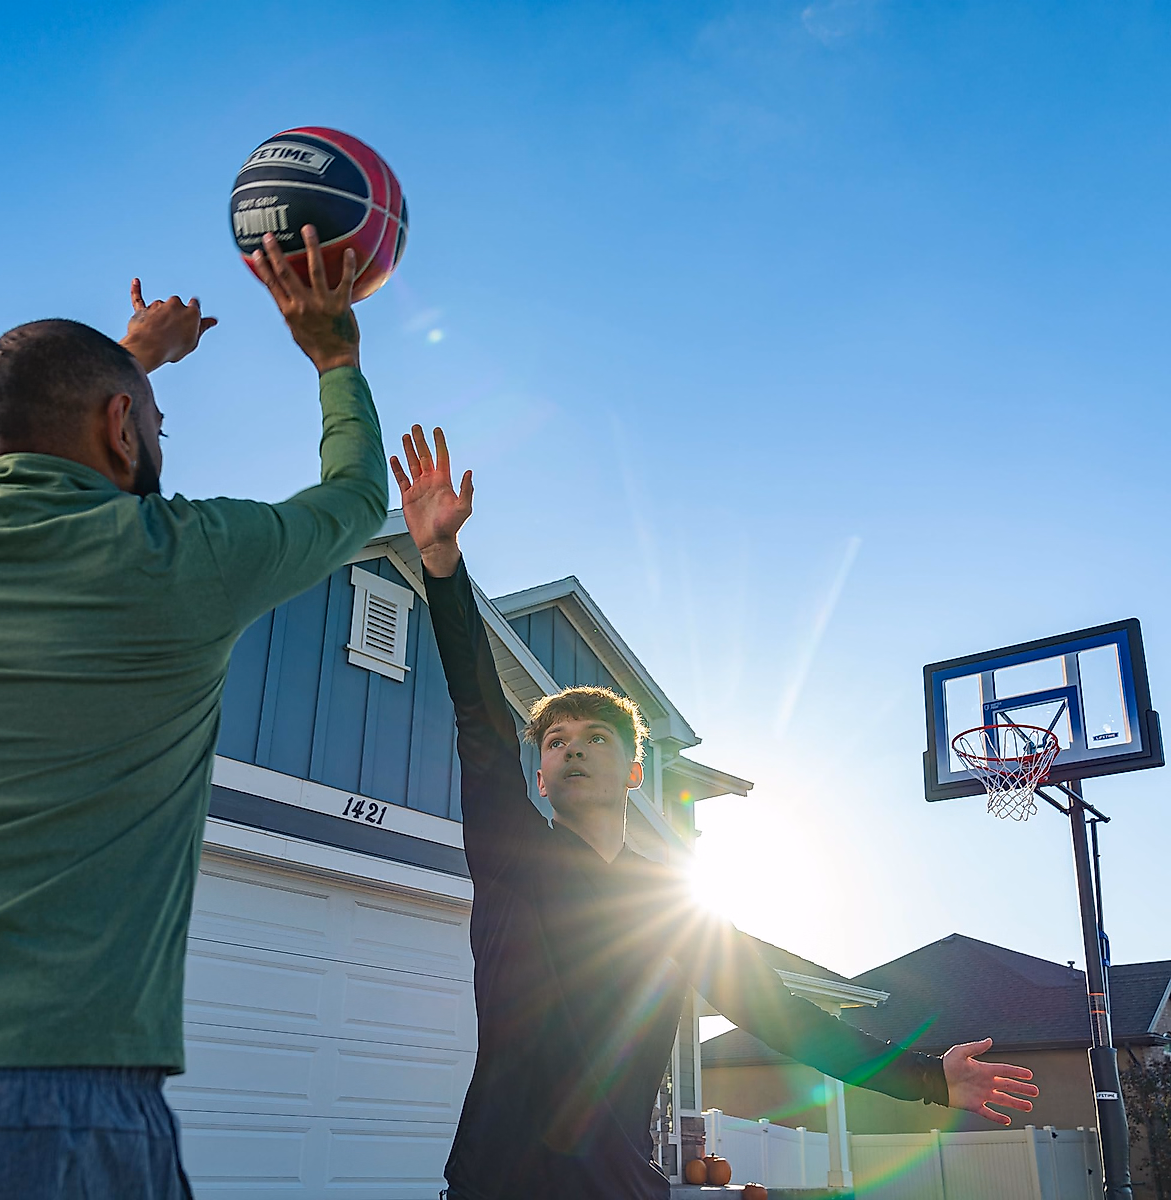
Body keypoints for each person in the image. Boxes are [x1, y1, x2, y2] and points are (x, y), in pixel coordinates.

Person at [390, 426, 1041, 1200]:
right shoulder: (510, 853)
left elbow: (785, 1016)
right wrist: (442, 565)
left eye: (594, 738)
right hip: (497, 1181)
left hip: (619, 1185)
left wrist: (929, 1080)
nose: (570, 749)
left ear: (635, 770)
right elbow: (479, 717)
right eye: (556, 741)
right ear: (537, 772)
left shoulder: (670, 909)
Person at [0, 228, 388, 1199]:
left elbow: (8, 437)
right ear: (121, 427)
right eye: (154, 419)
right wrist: (335, 356)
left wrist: (133, 361)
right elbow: (358, 495)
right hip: (55, 1099)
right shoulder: (177, 559)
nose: (160, 437)